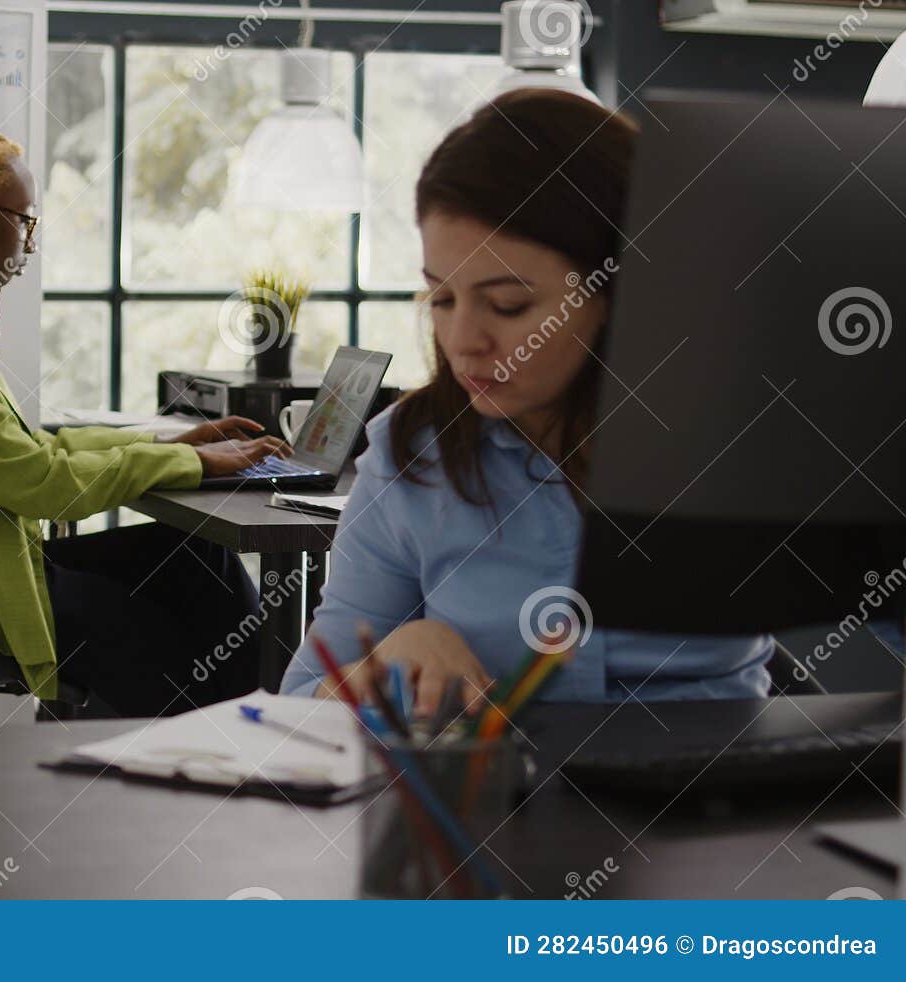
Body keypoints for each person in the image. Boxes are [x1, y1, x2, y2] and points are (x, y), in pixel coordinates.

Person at [281, 89, 781, 712]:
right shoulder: (409, 458)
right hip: (485, 803)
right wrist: (392, 656)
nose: (463, 342)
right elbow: (299, 704)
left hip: (722, 801)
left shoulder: (742, 437)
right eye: (441, 300)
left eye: (509, 305)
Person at [0, 127, 289, 716]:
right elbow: (39, 483)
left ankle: (243, 727)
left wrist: (171, 439)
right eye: (23, 220)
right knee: (195, 648)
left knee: (202, 558)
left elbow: (30, 445)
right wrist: (193, 462)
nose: (28, 240)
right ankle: (231, 736)